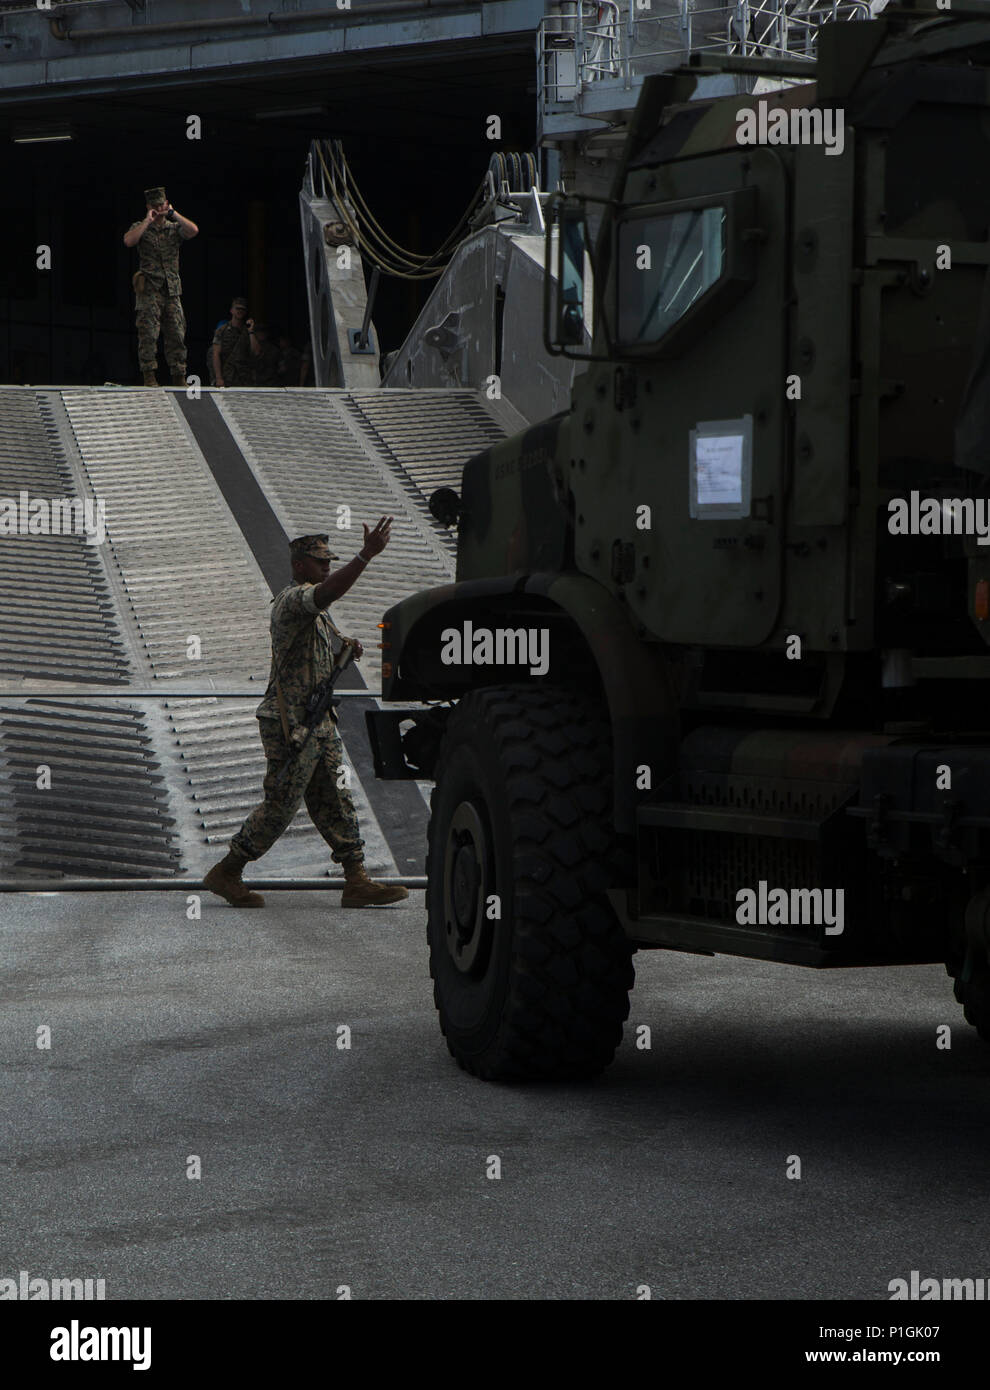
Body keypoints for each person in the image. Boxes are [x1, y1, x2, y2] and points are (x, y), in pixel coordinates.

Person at [203, 521, 408, 910]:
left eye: (329, 561)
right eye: (320, 562)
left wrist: (341, 656)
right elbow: (328, 592)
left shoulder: (317, 614)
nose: (327, 568)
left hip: (316, 720)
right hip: (290, 723)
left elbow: (310, 662)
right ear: (300, 566)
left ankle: (356, 878)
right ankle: (228, 870)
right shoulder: (293, 601)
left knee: (335, 797)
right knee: (282, 802)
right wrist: (364, 556)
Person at [123, 186, 199, 386]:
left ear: (166, 204)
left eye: (162, 204)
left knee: (176, 332)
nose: (159, 208)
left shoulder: (173, 229)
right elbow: (129, 241)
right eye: (155, 205)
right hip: (149, 290)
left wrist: (173, 213)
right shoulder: (141, 227)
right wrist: (148, 220)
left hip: (171, 290)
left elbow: (193, 231)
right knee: (148, 334)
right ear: (148, 206)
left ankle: (179, 375)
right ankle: (149, 375)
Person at [212, 297, 249, 388]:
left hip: (246, 378)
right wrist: (219, 378)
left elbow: (256, 352)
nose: (240, 311)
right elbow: (216, 354)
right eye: (237, 308)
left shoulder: (248, 331)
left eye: (242, 309)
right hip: (227, 376)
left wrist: (251, 332)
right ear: (231, 310)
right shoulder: (222, 331)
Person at [234, 318, 281, 387]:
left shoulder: (274, 349)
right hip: (250, 382)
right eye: (259, 332)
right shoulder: (247, 346)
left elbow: (281, 368)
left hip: (269, 383)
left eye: (263, 332)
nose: (261, 334)